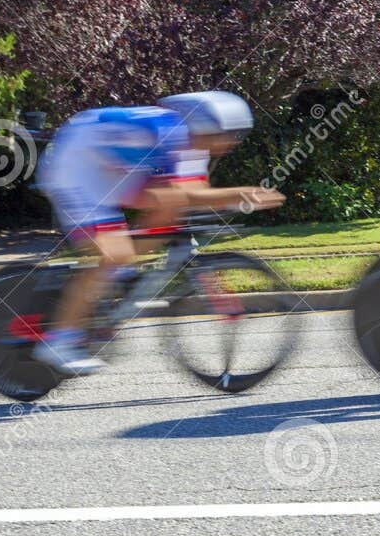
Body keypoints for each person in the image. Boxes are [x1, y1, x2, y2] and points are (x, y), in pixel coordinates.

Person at [33, 96, 283, 375]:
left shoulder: (194, 146)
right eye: (228, 134)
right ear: (204, 127)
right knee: (114, 253)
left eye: (238, 135)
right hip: (76, 164)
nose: (232, 143)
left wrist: (223, 201)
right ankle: (59, 341)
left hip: (108, 166)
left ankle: (113, 279)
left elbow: (190, 195)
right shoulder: (167, 135)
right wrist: (235, 194)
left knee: (167, 217)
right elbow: (164, 195)